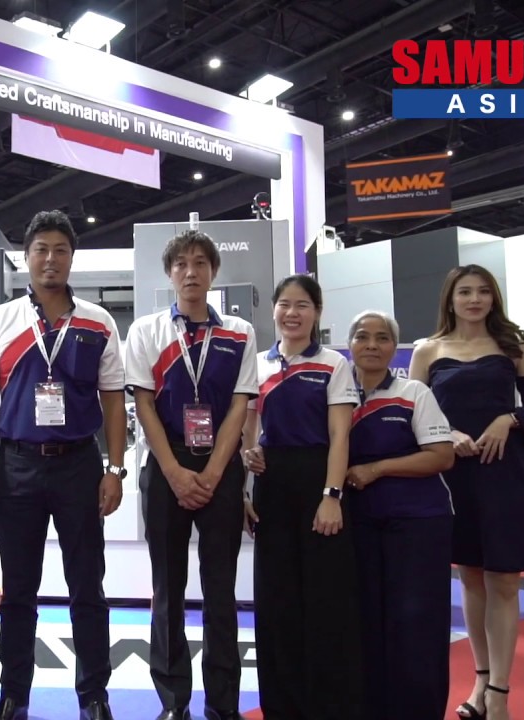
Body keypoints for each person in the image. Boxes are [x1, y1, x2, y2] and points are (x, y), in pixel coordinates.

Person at [0, 210, 127, 720]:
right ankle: (14, 693)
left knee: (87, 586)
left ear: (72, 258)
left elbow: (114, 400)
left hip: (79, 465)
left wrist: (115, 469)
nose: (50, 259)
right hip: (16, 466)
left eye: (60, 250)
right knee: (18, 589)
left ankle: (94, 695)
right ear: (26, 257)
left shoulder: (98, 321)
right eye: (41, 250)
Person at [123, 230, 257, 720]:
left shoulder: (239, 332)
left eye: (200, 263)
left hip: (220, 466)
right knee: (168, 589)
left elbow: (240, 406)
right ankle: (173, 701)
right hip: (166, 466)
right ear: (169, 273)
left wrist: (216, 471)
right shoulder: (147, 330)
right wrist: (175, 472)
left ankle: (223, 703)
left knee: (221, 589)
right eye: (181, 263)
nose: (191, 271)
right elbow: (143, 405)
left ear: (214, 272)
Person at [408, 265, 524, 720]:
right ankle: (481, 682)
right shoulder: (427, 350)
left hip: (506, 475)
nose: (474, 299)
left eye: (483, 292)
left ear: (493, 298)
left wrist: (509, 419)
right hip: (455, 478)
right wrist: (445, 434)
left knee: (504, 580)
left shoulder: (512, 346)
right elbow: (413, 414)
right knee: (470, 577)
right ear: (450, 300)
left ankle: (500, 695)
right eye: (465, 292)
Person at [241, 274, 361, 720]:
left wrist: (331, 495)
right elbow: (248, 429)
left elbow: (340, 435)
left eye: (302, 305)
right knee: (276, 601)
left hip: (317, 481)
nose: (292, 313)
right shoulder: (257, 364)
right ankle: (281, 705)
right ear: (273, 310)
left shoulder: (333, 363)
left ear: (317, 313)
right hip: (271, 487)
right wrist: (246, 477)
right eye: (284, 304)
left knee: (324, 601)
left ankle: (327, 706)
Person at [340, 311, 456, 720]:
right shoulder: (336, 395)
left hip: (418, 525)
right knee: (366, 624)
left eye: (382, 338)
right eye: (362, 336)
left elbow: (442, 456)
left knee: (416, 625)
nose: (372, 345)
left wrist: (377, 469)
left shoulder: (413, 392)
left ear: (394, 347)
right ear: (349, 344)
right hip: (358, 525)